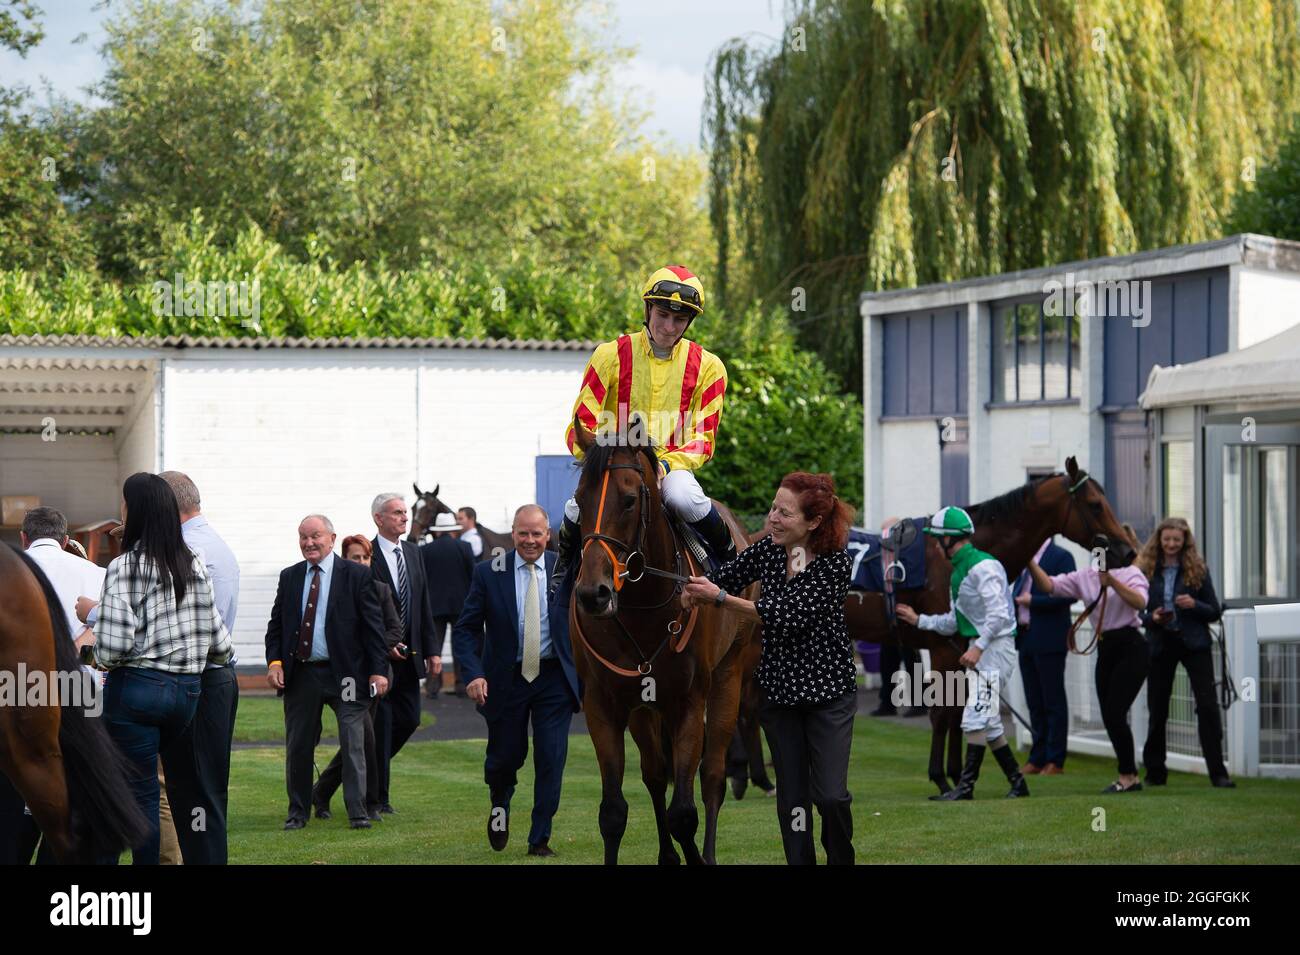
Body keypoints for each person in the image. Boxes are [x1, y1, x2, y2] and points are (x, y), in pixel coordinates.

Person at [684, 472, 857, 865]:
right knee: (792, 800)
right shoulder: (768, 551)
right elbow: (724, 575)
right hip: (779, 698)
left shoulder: (834, 563)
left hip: (828, 697)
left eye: (785, 513)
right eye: (773, 508)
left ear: (813, 522)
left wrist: (720, 598)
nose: (772, 519)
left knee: (830, 796)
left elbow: (787, 614)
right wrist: (693, 587)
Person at [551, 265, 730, 597]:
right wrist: (600, 457)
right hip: (615, 464)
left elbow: (703, 438)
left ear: (689, 322)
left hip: (671, 469)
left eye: (679, 320)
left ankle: (731, 560)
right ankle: (563, 574)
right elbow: (581, 424)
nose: (668, 326)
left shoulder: (710, 367)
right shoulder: (609, 355)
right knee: (574, 508)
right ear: (648, 309)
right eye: (662, 314)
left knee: (683, 498)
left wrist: (662, 466)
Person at [94, 473, 232, 864]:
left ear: (133, 510)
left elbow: (113, 650)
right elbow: (221, 647)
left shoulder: (123, 567)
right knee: (180, 793)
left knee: (141, 796)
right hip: (187, 696)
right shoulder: (194, 562)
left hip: (137, 692)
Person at [453, 505, 581, 857]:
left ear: (548, 535)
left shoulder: (565, 569)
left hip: (553, 678)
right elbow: (465, 629)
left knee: (552, 758)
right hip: (504, 680)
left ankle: (539, 838)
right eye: (523, 533)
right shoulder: (488, 572)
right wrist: (473, 673)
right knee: (505, 758)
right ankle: (499, 803)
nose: (529, 541)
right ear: (513, 533)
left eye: (536, 534)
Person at [896, 506, 1028, 802]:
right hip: (982, 648)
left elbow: (999, 616)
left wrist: (979, 647)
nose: (934, 546)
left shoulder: (984, 567)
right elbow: (954, 621)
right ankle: (1018, 782)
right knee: (989, 722)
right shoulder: (959, 572)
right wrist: (919, 620)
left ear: (949, 540)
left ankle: (965, 788)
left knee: (972, 718)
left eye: (936, 540)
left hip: (997, 649)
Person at [265, 515, 389, 829]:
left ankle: (358, 812)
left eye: (316, 536)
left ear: (332, 539)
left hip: (347, 674)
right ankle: (297, 812)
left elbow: (374, 629)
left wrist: (378, 671)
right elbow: (276, 627)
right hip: (303, 675)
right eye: (303, 537)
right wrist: (275, 663)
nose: (309, 543)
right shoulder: (290, 576)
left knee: (353, 741)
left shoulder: (356, 575)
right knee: (299, 745)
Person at [151, 471, 241, 865]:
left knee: (193, 795)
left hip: (197, 679)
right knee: (202, 794)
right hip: (215, 677)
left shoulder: (187, 549)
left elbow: (166, 618)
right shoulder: (213, 543)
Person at [1026, 541, 1150, 793]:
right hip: (1105, 646)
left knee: (1115, 712)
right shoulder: (1085, 577)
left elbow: (1140, 602)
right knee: (1109, 714)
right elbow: (1049, 586)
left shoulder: (1131, 574)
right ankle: (1129, 775)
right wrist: (1030, 561)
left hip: (1131, 645)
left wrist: (1112, 583)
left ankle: (1128, 776)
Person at [1136, 517, 1233, 788]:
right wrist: (1151, 618)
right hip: (1160, 642)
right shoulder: (1145, 568)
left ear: (1185, 540)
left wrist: (1193, 604)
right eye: (1166, 539)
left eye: (1176, 540)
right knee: (1157, 708)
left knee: (1207, 707)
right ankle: (1155, 772)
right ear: (1159, 539)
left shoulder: (1197, 569)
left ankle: (1218, 773)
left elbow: (1214, 610)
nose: (1171, 544)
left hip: (1193, 643)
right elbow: (1135, 611)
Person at [314, 535, 405, 819]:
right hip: (348, 676)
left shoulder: (380, 589)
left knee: (363, 740)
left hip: (375, 675)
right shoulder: (335, 589)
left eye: (366, 558)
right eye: (356, 558)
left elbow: (393, 629)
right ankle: (367, 803)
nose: (362, 563)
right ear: (344, 559)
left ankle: (326, 793)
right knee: (363, 740)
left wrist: (376, 648)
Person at [369, 492, 442, 813]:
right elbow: (365, 612)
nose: (404, 517)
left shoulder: (413, 553)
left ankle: (345, 775)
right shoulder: (365, 555)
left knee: (410, 720)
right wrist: (385, 645)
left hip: (412, 656)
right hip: (379, 659)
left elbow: (423, 603)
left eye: (404, 512)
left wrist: (432, 649)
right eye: (396, 513)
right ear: (378, 519)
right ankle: (379, 798)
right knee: (381, 729)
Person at [1013, 535, 1076, 775]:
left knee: (1053, 701)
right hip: (1026, 637)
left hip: (1049, 638)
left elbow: (1070, 595)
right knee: (1034, 702)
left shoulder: (1061, 557)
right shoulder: (1024, 559)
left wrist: (1033, 602)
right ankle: (1037, 756)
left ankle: (1055, 759)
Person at [420, 512, 477, 697]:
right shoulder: (465, 547)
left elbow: (421, 579)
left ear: (437, 532)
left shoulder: (425, 550)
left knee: (434, 646)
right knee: (460, 645)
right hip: (461, 605)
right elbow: (473, 576)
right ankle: (462, 684)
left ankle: (433, 686)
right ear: (453, 531)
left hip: (434, 606)